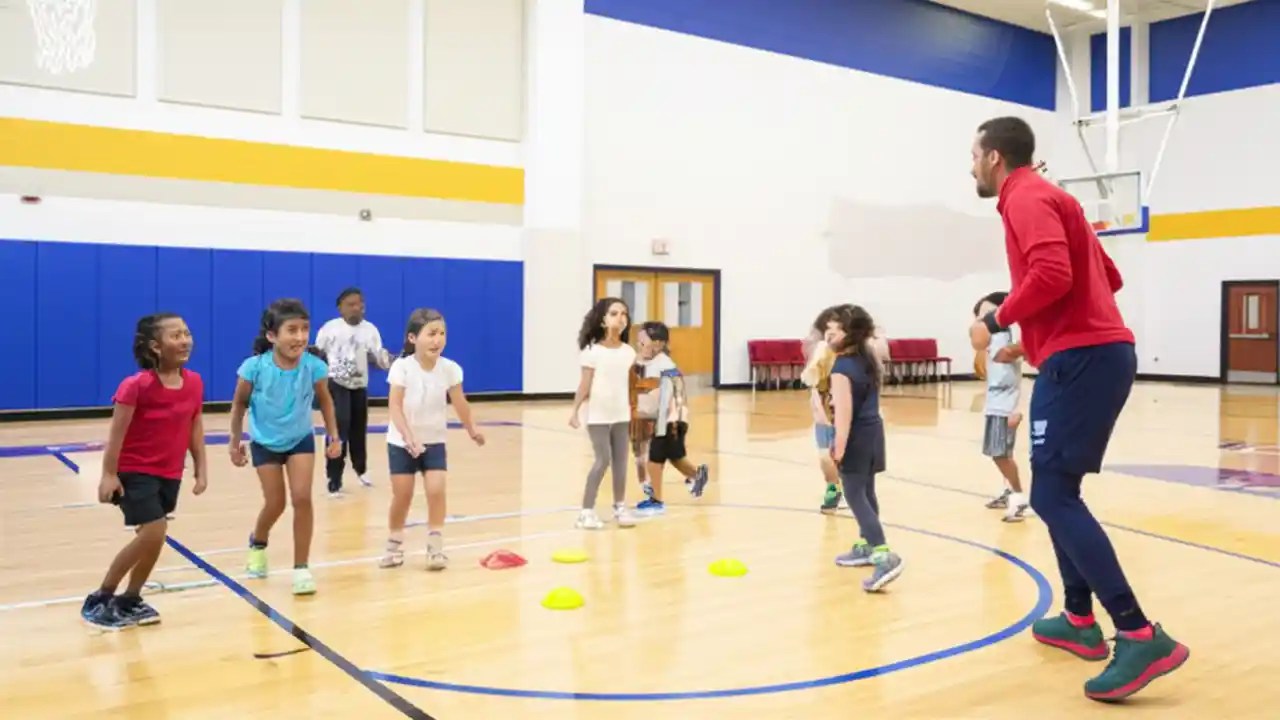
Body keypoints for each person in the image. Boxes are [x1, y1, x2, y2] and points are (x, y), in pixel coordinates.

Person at [969, 116, 1188, 701]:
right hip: (1088, 353)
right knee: (1056, 491)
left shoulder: (1026, 196)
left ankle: (1139, 633)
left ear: (993, 157)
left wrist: (998, 318)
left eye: (973, 156)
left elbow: (1053, 273)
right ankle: (1078, 620)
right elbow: (1106, 276)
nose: (972, 167)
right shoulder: (1055, 197)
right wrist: (1035, 338)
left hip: (1083, 361)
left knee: (1051, 497)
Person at [82, 313, 206, 630]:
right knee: (154, 531)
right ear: (155, 346)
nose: (185, 340)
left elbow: (195, 426)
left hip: (170, 474)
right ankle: (102, 596)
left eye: (187, 333)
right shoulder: (135, 386)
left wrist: (200, 468)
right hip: (135, 471)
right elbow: (116, 434)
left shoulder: (194, 383)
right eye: (175, 335)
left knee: (153, 539)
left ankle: (131, 599)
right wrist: (108, 474)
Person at [230, 298, 341, 596]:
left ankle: (301, 568)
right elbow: (239, 404)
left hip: (300, 439)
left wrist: (333, 435)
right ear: (272, 336)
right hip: (265, 441)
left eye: (305, 329)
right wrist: (235, 440)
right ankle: (258, 541)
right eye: (292, 330)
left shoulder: (314, 367)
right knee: (275, 503)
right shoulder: (253, 368)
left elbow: (326, 401)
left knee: (302, 498)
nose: (300, 337)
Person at [381, 308, 484, 570]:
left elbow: (460, 402)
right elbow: (394, 406)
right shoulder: (401, 368)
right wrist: (408, 437)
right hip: (401, 442)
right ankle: (394, 543)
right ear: (413, 338)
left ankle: (435, 545)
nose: (437, 339)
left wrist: (471, 428)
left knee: (436, 490)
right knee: (402, 495)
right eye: (431, 334)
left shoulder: (450, 369)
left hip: (434, 441)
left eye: (441, 333)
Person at [823, 304, 903, 593]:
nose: (827, 338)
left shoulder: (841, 368)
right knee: (868, 491)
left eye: (832, 332)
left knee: (855, 494)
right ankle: (866, 545)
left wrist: (838, 448)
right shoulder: (867, 358)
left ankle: (883, 555)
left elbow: (843, 416)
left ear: (848, 334)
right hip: (874, 432)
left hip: (856, 436)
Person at [314, 287, 390, 495]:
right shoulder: (330, 329)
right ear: (340, 308)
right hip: (336, 383)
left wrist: (387, 361)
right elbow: (318, 354)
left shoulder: (370, 330)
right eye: (351, 304)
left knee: (359, 429)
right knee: (338, 428)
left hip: (359, 385)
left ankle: (361, 469)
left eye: (360, 304)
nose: (357, 308)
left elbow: (377, 357)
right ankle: (334, 478)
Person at [569, 297, 637, 530]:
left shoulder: (629, 352)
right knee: (603, 459)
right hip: (598, 415)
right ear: (602, 320)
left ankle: (619, 506)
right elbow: (584, 385)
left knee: (620, 462)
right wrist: (575, 411)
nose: (621, 317)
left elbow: (627, 384)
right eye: (615, 313)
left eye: (624, 314)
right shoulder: (592, 351)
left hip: (621, 414)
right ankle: (586, 511)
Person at [632, 321, 709, 516]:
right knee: (675, 456)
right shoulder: (654, 363)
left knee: (655, 459)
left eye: (642, 343)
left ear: (657, 344)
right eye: (637, 343)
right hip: (675, 419)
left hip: (669, 421)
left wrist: (646, 415)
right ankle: (696, 475)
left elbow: (662, 396)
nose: (638, 347)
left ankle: (656, 500)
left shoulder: (663, 365)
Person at [972, 291, 1029, 522]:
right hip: (995, 403)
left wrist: (1016, 409)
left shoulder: (1007, 336)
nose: (981, 319)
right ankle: (1009, 491)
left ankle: (1018, 496)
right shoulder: (994, 338)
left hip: (1006, 406)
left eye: (987, 314)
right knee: (1000, 452)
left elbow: (1011, 358)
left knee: (1000, 454)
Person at [800, 325, 842, 513]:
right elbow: (810, 380)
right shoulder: (821, 352)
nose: (830, 334)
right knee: (825, 455)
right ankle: (832, 487)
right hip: (823, 410)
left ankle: (849, 490)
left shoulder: (851, 357)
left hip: (844, 412)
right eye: (829, 331)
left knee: (842, 455)